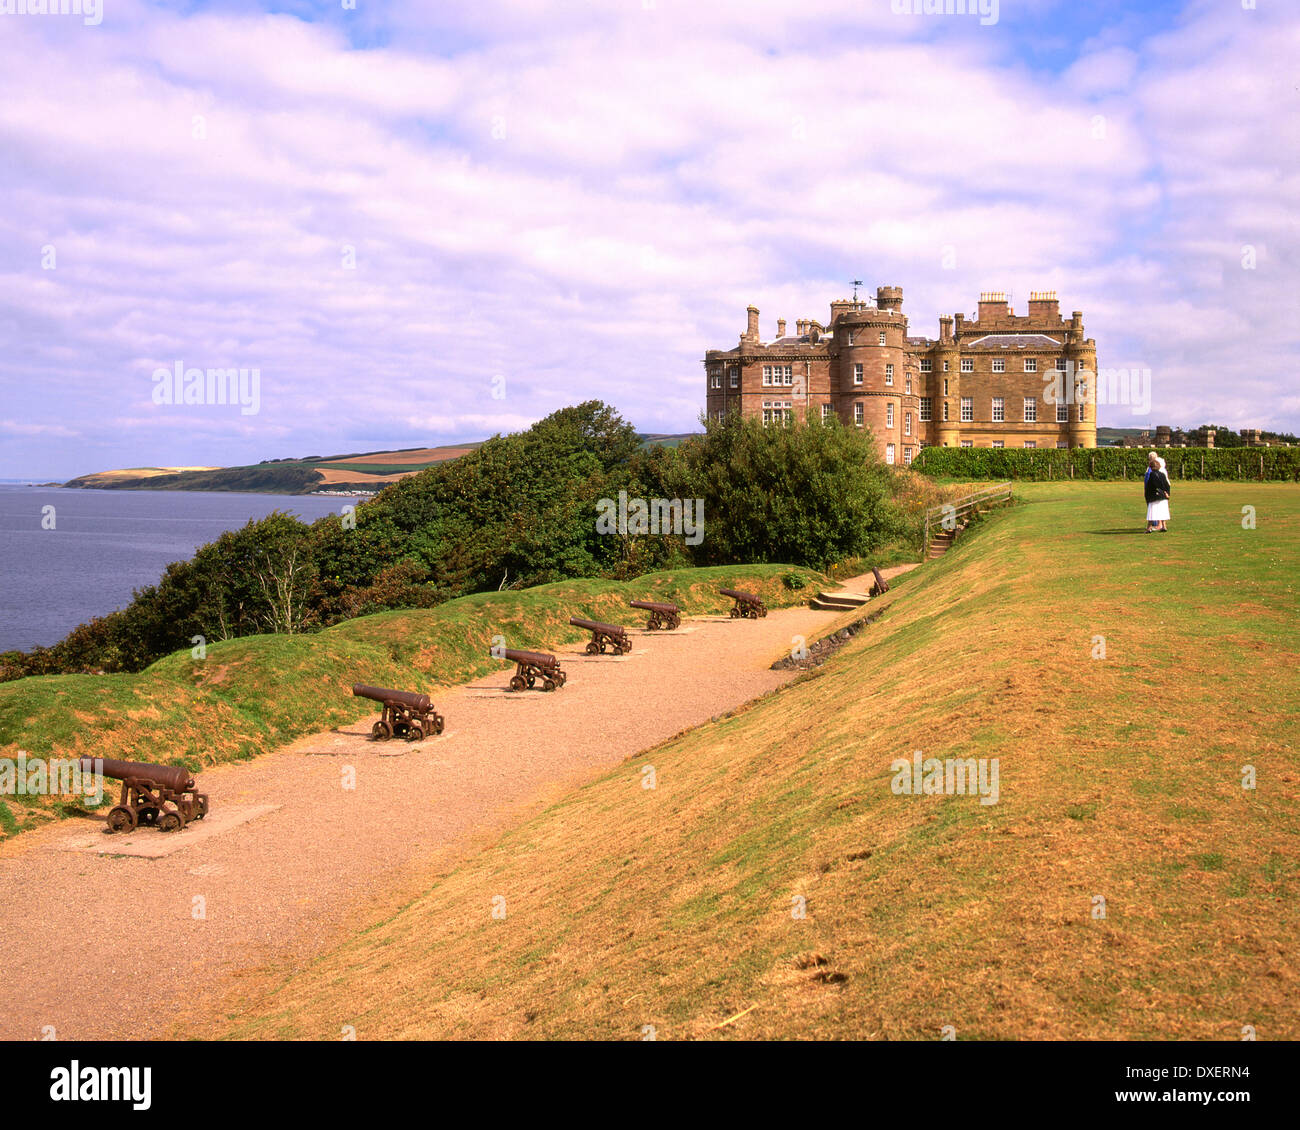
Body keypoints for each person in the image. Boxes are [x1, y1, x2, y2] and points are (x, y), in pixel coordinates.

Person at [1144, 451, 1171, 532]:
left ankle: (1149, 528)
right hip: (1163, 496)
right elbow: (1167, 485)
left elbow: (1150, 486)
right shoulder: (1162, 474)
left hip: (1154, 496)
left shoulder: (1152, 475)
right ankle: (1164, 526)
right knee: (1162, 511)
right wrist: (1167, 493)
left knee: (1152, 512)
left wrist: (1148, 496)